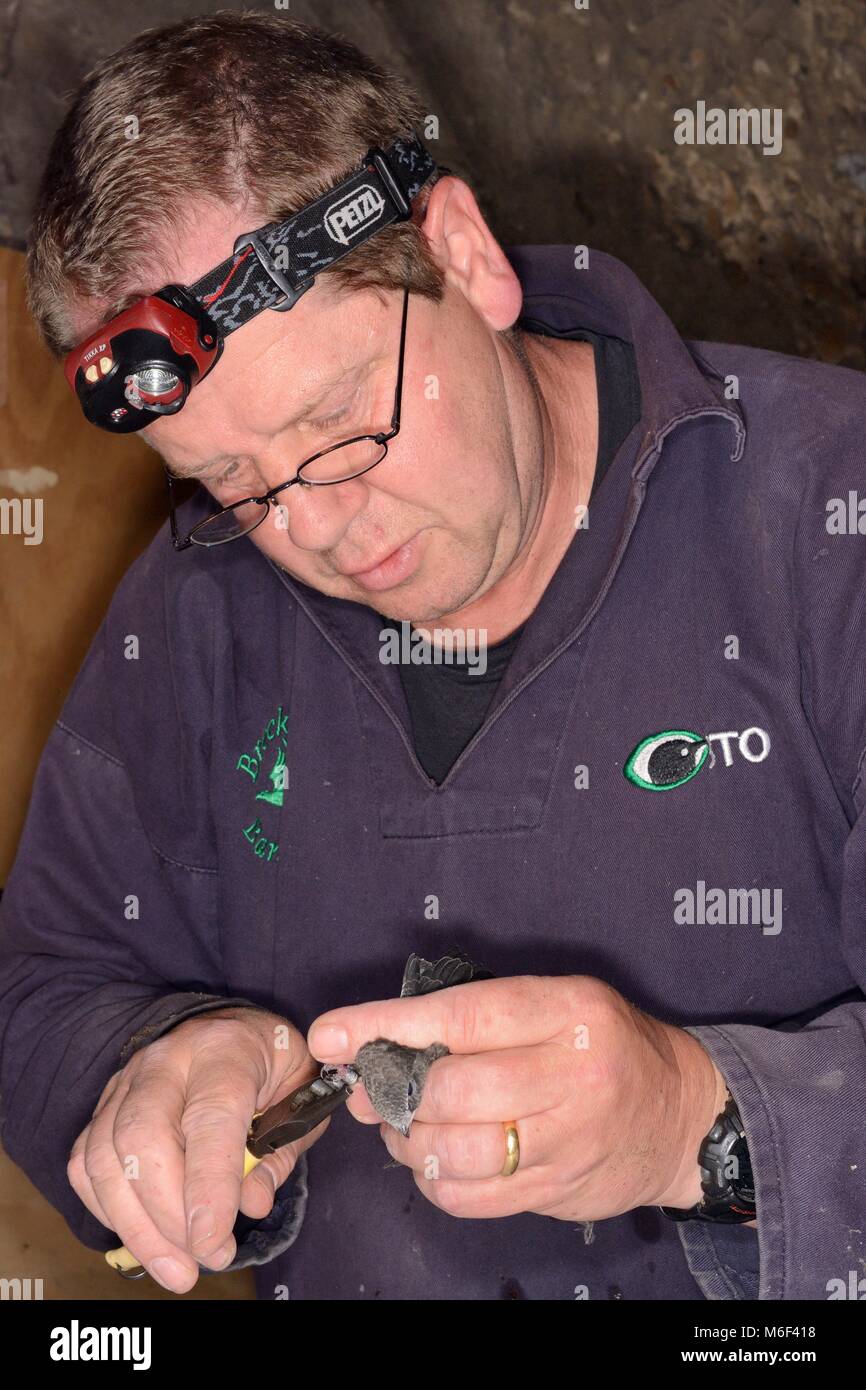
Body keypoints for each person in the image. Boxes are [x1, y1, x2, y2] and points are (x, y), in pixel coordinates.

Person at [1, 12, 864, 1302]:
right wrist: (151, 1061)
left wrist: (709, 1123)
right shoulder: (194, 615)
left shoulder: (825, 519)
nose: (319, 530)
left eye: (340, 423)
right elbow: (47, 981)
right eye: (234, 483)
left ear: (464, 256)